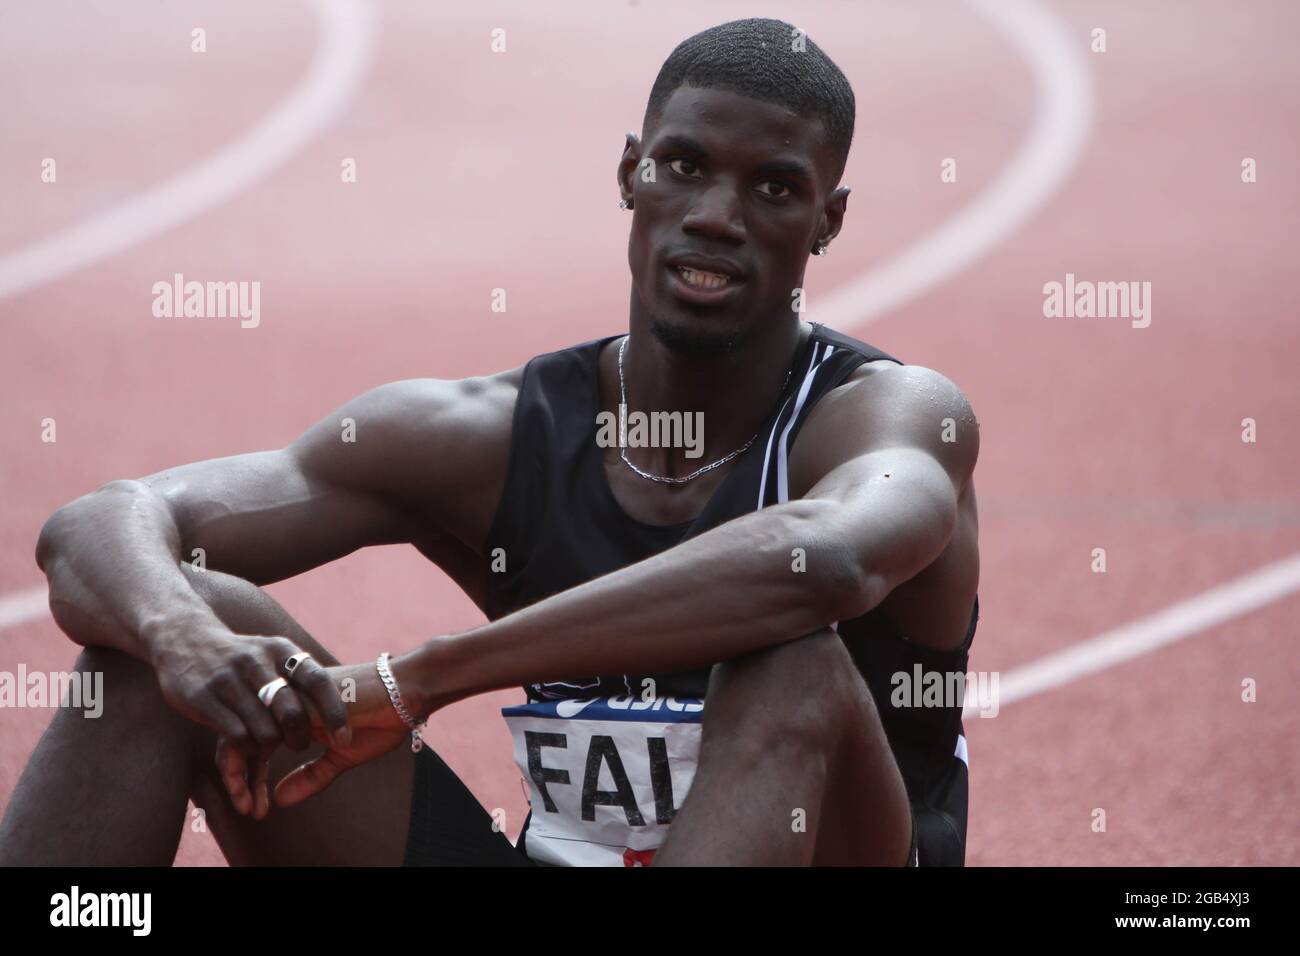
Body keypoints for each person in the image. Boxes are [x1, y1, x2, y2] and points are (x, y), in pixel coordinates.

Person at [0, 17, 979, 867]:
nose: (716, 215)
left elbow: (826, 559)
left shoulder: (887, 415)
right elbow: (104, 522)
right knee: (162, 638)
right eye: (683, 166)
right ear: (630, 173)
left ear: (827, 221)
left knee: (789, 668)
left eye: (772, 187)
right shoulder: (497, 433)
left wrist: (418, 678)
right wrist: (183, 639)